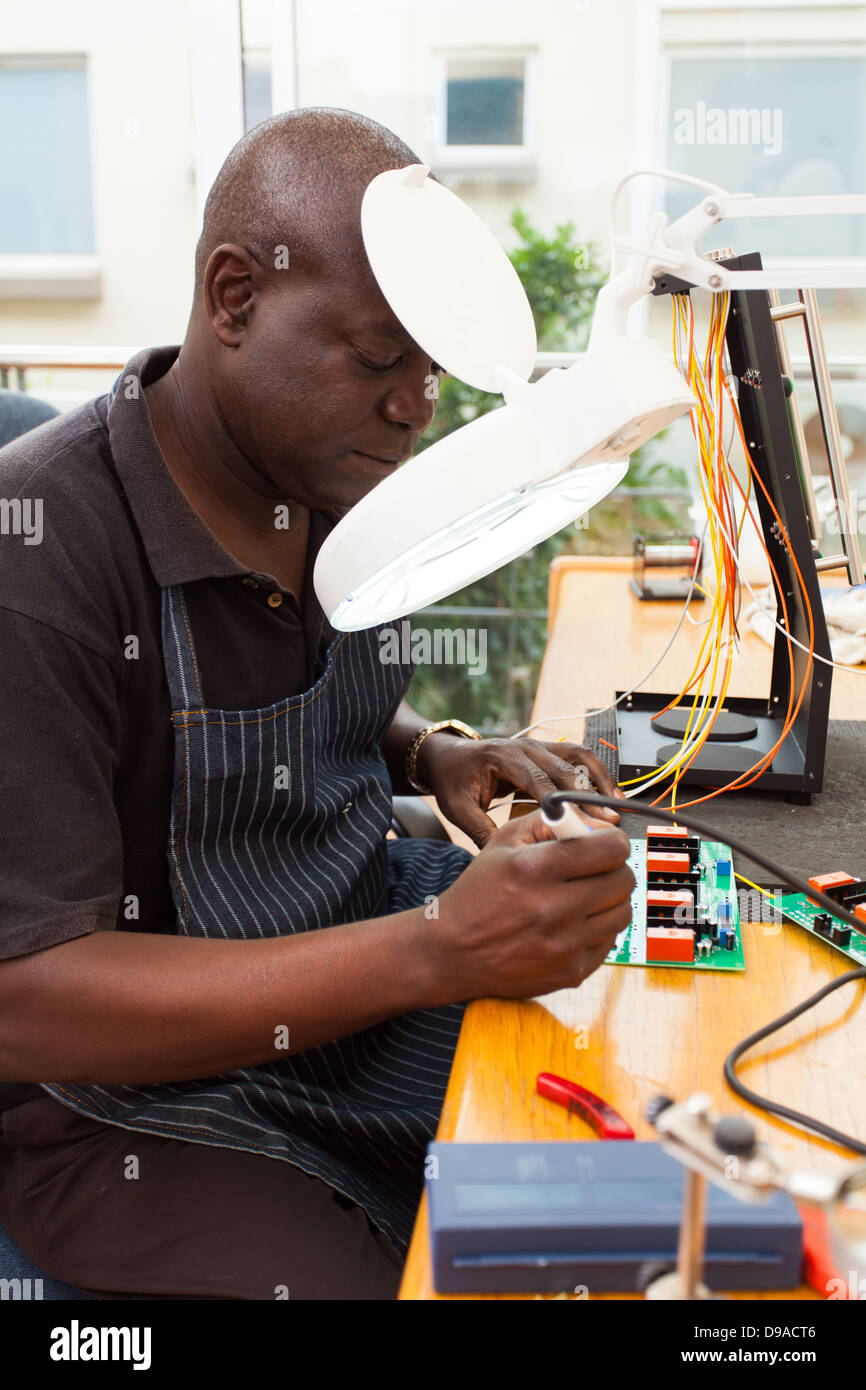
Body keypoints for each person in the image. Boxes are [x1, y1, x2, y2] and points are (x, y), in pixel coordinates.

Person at [0, 108, 633, 1300]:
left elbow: (278, 700)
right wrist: (440, 947)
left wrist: (432, 750)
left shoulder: (333, 487)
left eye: (432, 371)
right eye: (381, 358)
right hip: (139, 1106)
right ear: (233, 297)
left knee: (636, 1143)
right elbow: (26, 1002)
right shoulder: (40, 562)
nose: (415, 409)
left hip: (359, 955)